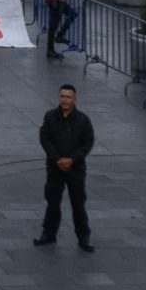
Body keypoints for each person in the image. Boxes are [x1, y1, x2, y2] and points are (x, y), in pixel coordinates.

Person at [35, 85, 96, 251]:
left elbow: (88, 142)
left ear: (75, 99)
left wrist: (72, 159)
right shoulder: (50, 117)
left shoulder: (83, 120)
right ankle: (48, 234)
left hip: (76, 168)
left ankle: (83, 237)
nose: (65, 100)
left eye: (69, 97)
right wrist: (57, 159)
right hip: (54, 168)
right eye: (62, 96)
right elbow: (45, 139)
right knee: (53, 202)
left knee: (78, 203)